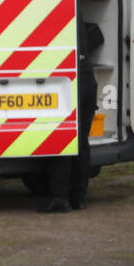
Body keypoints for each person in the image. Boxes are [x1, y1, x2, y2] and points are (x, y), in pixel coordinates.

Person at [40, 24, 101, 213]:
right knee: (81, 143)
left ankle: (60, 199)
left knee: (62, 141)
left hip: (69, 81)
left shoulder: (54, 18)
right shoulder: (76, 15)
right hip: (87, 80)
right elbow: (97, 33)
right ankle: (80, 197)